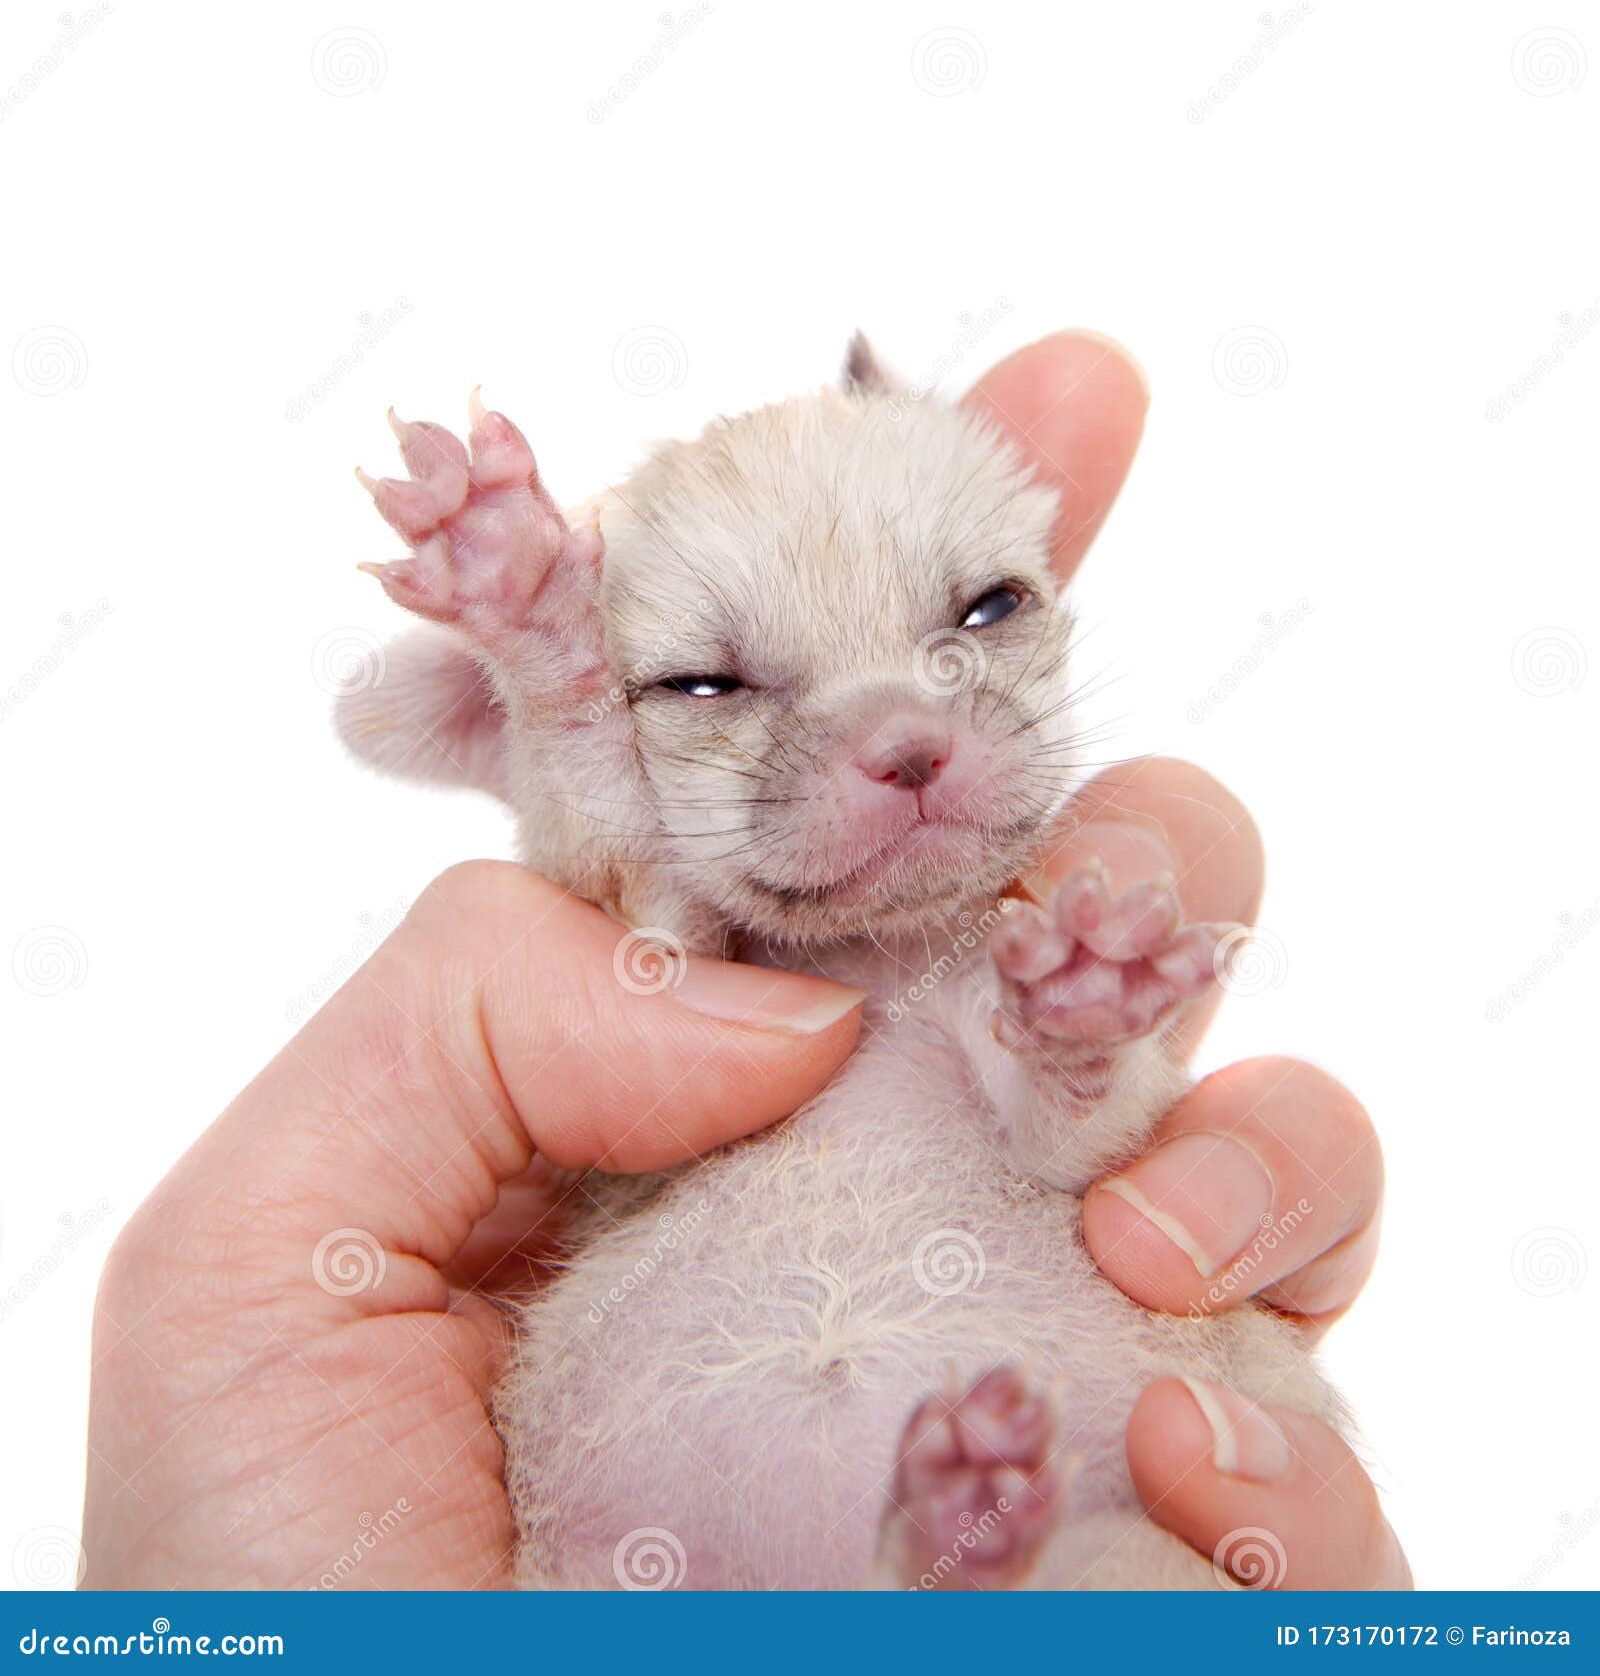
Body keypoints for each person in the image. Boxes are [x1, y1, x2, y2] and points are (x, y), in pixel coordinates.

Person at [81, 333, 1408, 1591]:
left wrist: (1076, 1031)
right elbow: (612, 870)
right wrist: (558, 666)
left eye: (988, 609)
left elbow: (1074, 1138)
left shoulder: (999, 960)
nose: (904, 731)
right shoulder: (644, 993)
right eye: (710, 688)